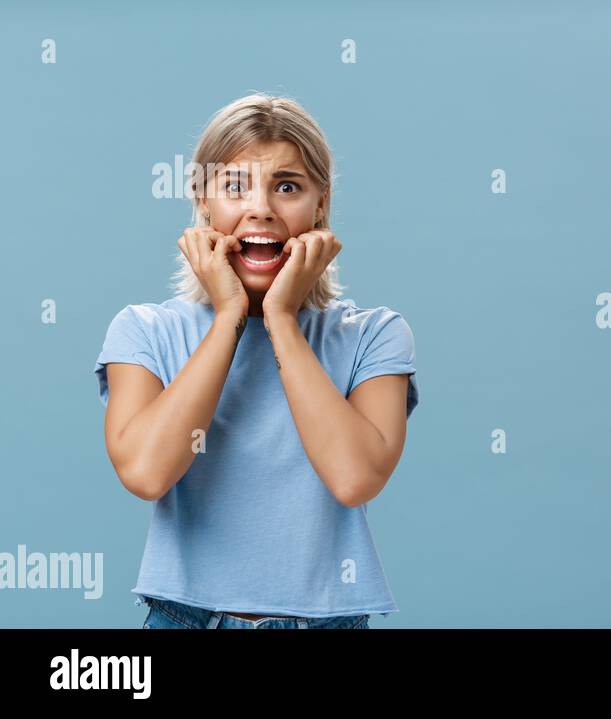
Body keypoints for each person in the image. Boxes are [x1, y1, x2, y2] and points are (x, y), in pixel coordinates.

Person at [93, 93, 419, 629]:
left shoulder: (375, 335)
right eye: (235, 186)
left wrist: (282, 320)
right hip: (186, 619)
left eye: (287, 186)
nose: (261, 208)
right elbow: (148, 473)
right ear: (202, 202)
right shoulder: (145, 330)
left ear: (320, 203)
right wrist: (227, 316)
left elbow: (354, 478)